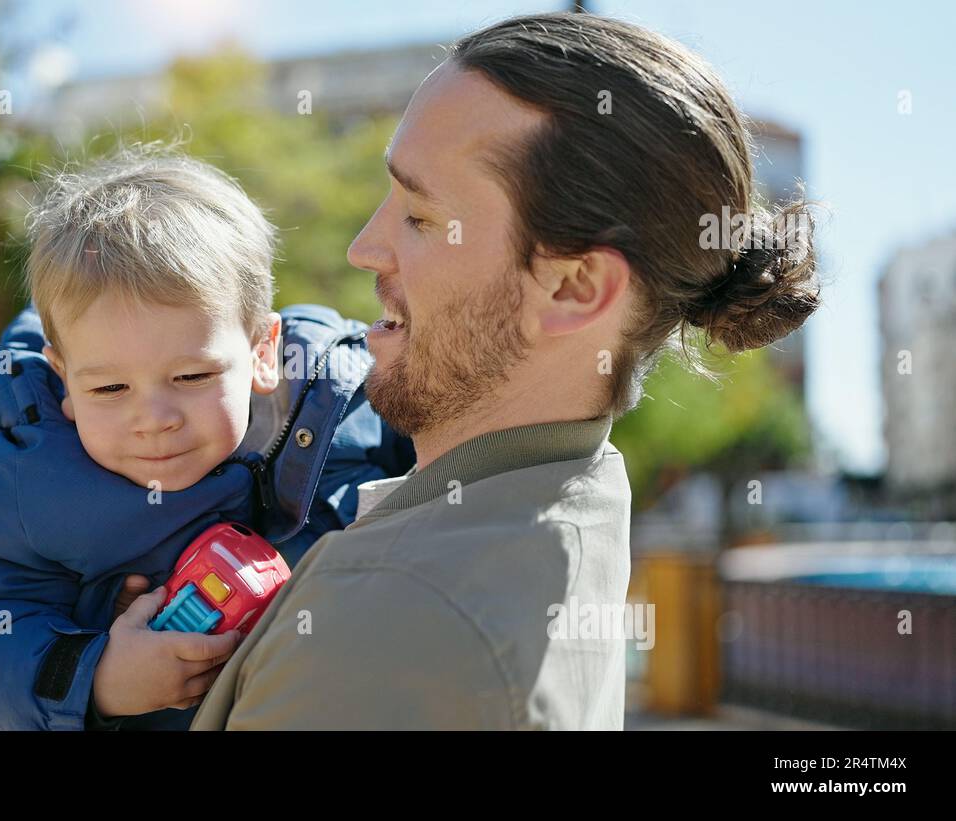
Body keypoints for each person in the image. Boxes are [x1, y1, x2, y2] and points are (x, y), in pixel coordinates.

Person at [190, 12, 821, 730]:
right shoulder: (581, 491)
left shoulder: (390, 624)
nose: (364, 249)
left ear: (575, 288)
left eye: (421, 217)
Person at [0, 149, 413, 730]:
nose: (154, 418)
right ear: (64, 379)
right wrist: (96, 676)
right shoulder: (33, 480)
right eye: (110, 387)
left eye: (191, 377)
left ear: (263, 352)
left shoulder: (347, 403)